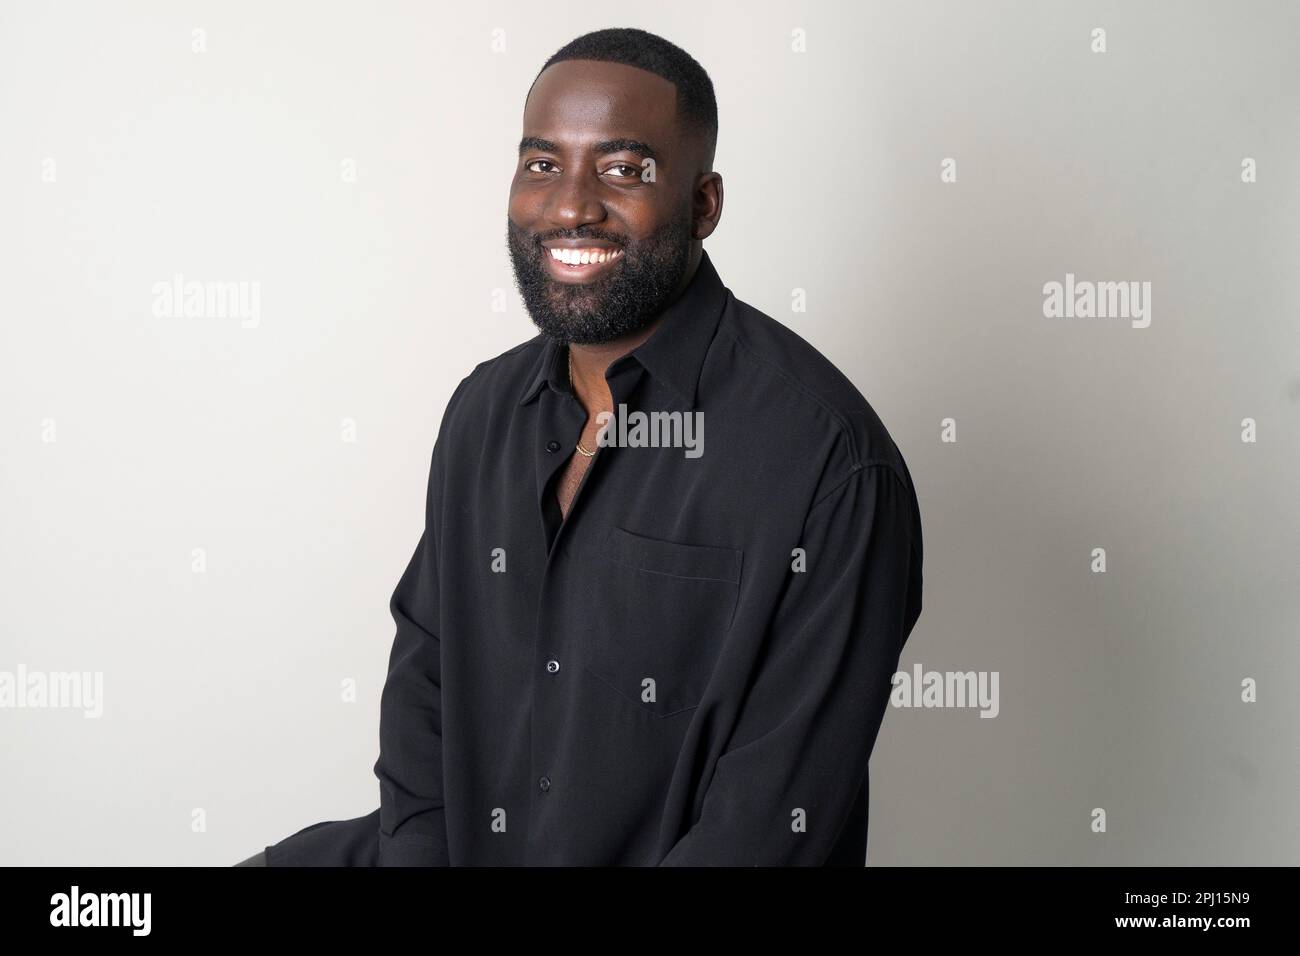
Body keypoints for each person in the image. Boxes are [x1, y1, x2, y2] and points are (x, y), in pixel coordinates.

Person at [242, 26, 922, 868]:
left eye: (624, 169)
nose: (570, 205)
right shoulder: (483, 411)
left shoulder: (831, 466)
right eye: (541, 164)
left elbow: (767, 822)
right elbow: (426, 680)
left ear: (704, 205)